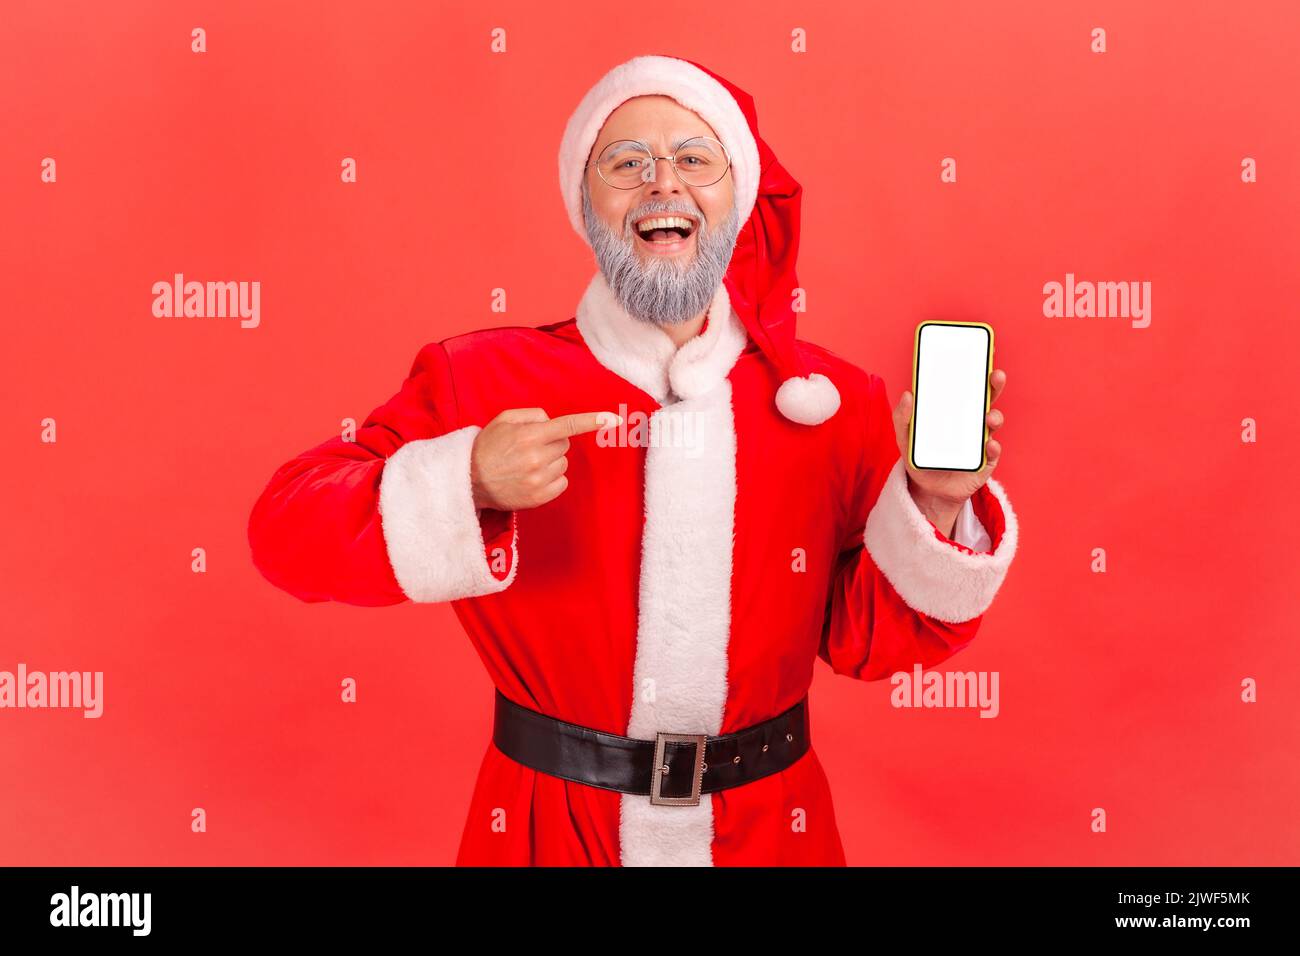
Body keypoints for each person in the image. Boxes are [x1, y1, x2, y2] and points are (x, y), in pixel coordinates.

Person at [246, 54, 1020, 866]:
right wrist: (469, 475)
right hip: (548, 833)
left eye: (694, 158)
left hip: (772, 834)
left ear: (737, 196)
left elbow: (876, 644)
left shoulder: (831, 400)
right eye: (626, 164)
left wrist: (934, 507)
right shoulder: (478, 377)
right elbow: (284, 533)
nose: (663, 184)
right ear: (586, 206)